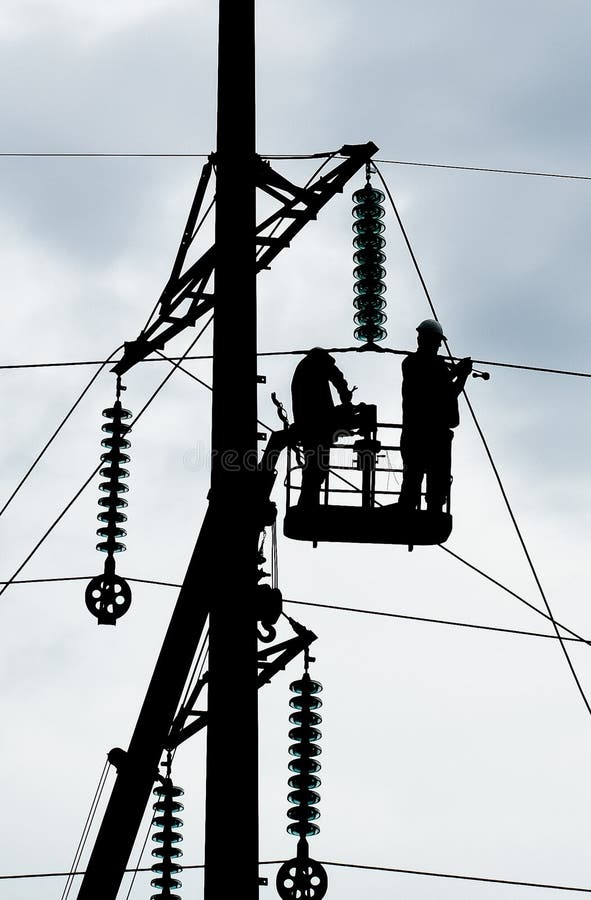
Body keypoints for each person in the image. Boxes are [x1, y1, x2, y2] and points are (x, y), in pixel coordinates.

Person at [398, 319, 472, 512]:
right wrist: (462, 375)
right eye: (438, 341)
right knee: (434, 484)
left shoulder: (411, 363)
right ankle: (427, 513)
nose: (439, 346)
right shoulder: (430, 366)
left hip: (414, 434)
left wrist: (456, 372)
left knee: (413, 480)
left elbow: (436, 383)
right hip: (434, 436)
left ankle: (407, 512)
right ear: (429, 340)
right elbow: (446, 392)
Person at [291, 347, 356, 507]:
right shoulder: (318, 364)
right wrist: (345, 397)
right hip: (319, 425)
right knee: (317, 469)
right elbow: (337, 377)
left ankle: (306, 504)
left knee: (313, 469)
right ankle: (308, 505)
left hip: (307, 426)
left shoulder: (304, 369)